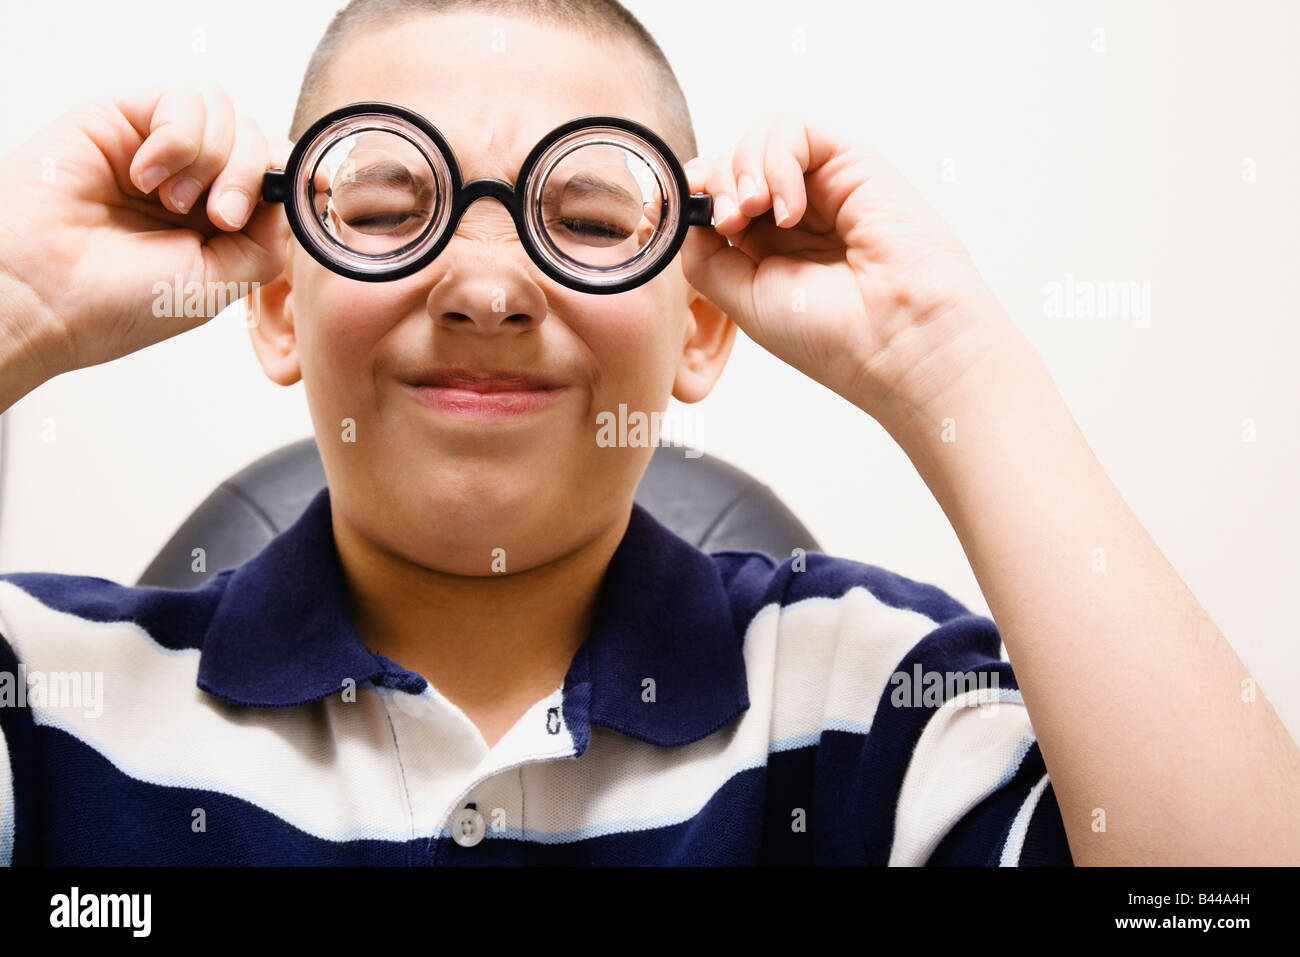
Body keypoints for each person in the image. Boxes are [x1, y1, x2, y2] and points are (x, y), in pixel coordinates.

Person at [0, 0, 1296, 866]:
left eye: (594, 219)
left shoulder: (865, 701)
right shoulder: (48, 698)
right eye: (393, 206)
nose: (488, 288)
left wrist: (948, 360)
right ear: (277, 300)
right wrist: (14, 310)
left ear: (702, 325)